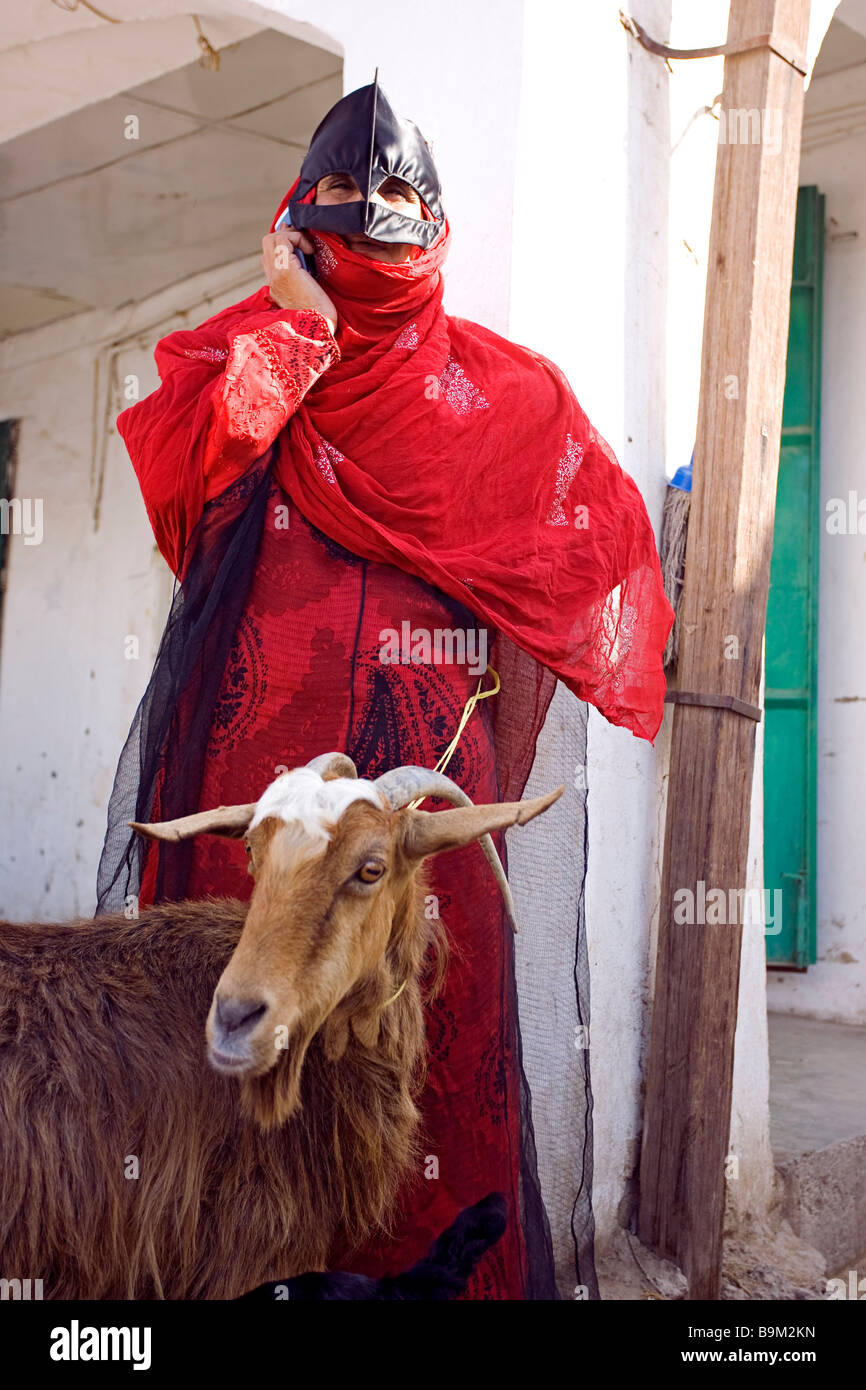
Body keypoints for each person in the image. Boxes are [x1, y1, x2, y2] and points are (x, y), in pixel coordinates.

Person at [97, 79, 673, 1299]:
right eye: (339, 228)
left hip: (410, 815)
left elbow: (594, 551)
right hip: (255, 809)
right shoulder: (239, 362)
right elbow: (191, 516)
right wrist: (299, 332)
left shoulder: (502, 399)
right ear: (297, 236)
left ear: (436, 234)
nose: (367, 241)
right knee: (229, 1046)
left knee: (415, 1046)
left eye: (390, 219)